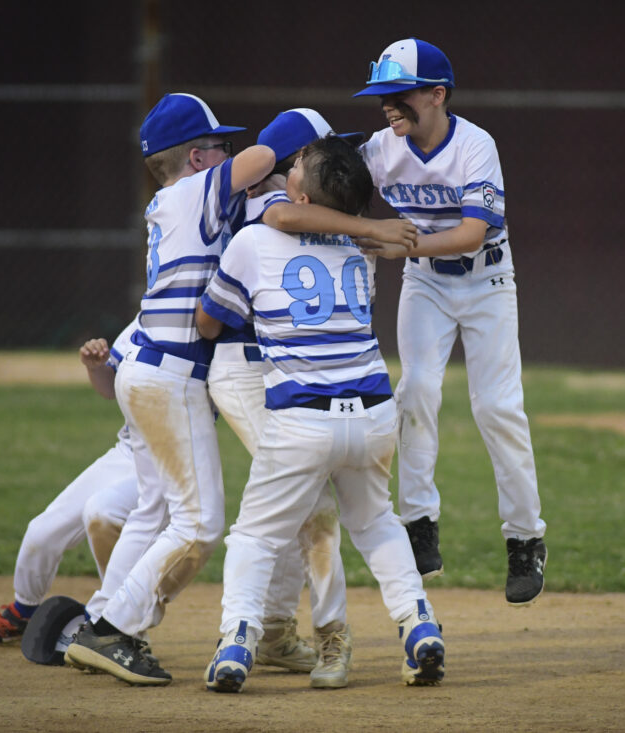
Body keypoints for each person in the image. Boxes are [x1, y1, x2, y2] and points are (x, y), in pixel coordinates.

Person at [196, 136, 445, 693]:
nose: (290, 168)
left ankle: (237, 641)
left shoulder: (254, 241)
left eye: (297, 166)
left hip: (303, 418)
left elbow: (210, 322)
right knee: (376, 522)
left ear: (304, 195)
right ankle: (418, 624)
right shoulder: (364, 245)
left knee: (256, 536)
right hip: (375, 412)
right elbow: (314, 223)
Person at [62, 93, 278, 686]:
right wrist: (298, 133)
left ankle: (101, 619)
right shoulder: (191, 192)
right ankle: (117, 632)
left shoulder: (176, 201)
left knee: (153, 511)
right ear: (197, 156)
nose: (230, 151)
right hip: (171, 376)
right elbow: (261, 157)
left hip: (149, 367)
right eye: (220, 145)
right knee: (200, 524)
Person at [353, 39, 548, 606]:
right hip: (427, 284)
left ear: (437, 95)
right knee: (415, 389)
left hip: (487, 282)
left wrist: (394, 246)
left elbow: (472, 233)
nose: (388, 106)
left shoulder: (474, 146)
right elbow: (334, 181)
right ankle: (418, 525)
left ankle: (525, 538)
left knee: (498, 407)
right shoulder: (380, 150)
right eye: (382, 96)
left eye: (399, 94)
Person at [204, 107, 369, 688]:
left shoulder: (297, 214)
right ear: (285, 167)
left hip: (280, 374)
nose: (323, 169)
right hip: (248, 370)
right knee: (314, 505)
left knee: (297, 505)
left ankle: (271, 632)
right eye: (312, 156)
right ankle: (313, 635)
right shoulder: (265, 211)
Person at [0, 321, 142, 648]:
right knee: (41, 532)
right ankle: (22, 611)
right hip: (127, 452)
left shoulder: (194, 333)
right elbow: (109, 389)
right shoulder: (140, 325)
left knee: (103, 518)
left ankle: (120, 627)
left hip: (171, 460)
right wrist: (95, 366)